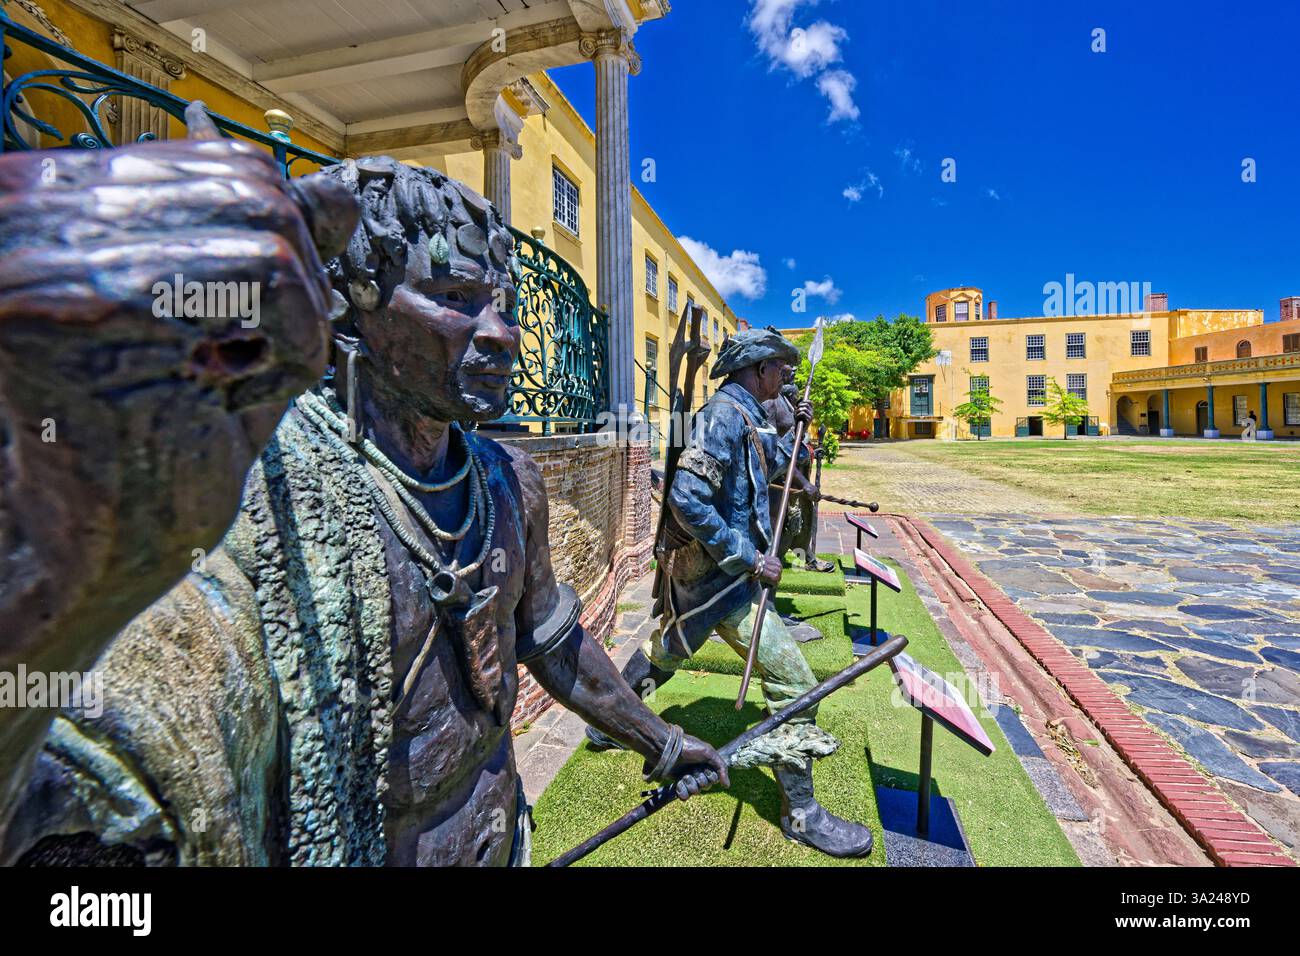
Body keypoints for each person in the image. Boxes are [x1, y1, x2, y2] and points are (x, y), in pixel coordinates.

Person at [1, 156, 727, 866]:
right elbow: (98, 757)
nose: (501, 333)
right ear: (351, 315)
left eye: (502, 305)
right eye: (455, 298)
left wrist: (660, 740)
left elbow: (549, 640)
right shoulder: (261, 505)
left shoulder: (512, 481)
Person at [586, 328, 874, 858]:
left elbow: (765, 468)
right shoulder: (722, 415)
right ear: (757, 368)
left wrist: (795, 436)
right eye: (780, 369)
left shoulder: (750, 413)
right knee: (795, 682)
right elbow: (687, 499)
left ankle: (608, 725)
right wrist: (748, 555)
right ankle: (803, 813)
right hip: (721, 582)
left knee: (668, 648)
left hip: (716, 581)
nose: (786, 376)